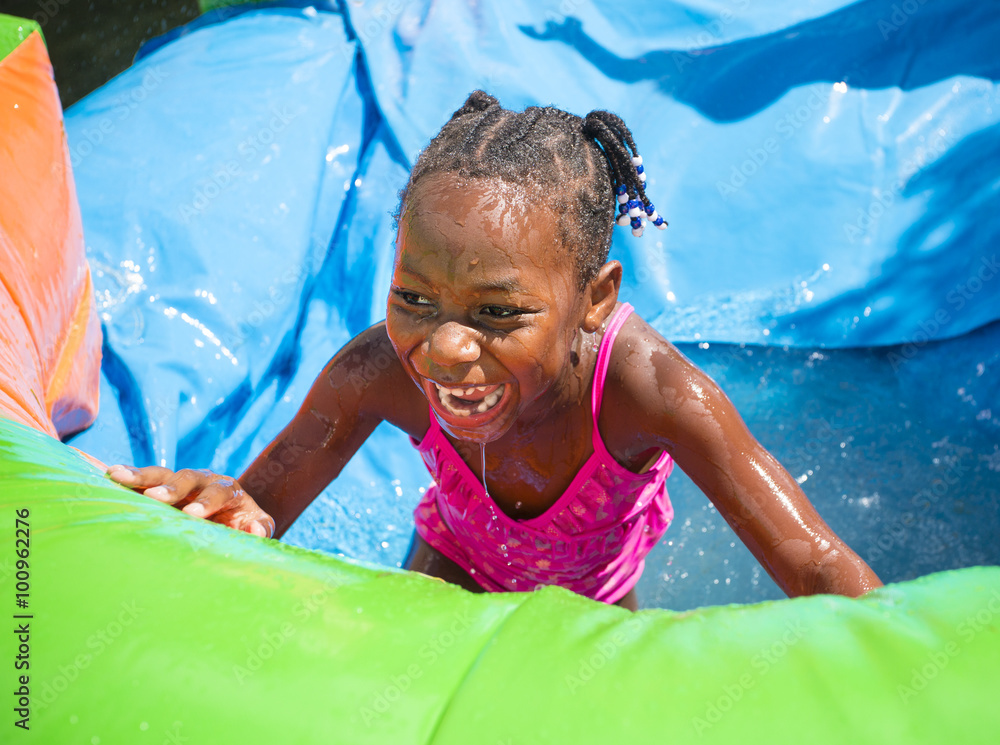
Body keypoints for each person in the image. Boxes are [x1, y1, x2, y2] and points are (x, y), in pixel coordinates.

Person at [106, 91, 882, 610]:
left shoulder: (654, 395)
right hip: (450, 566)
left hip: (595, 605)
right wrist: (224, 507)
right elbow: (260, 507)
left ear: (596, 297)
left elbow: (815, 566)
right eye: (414, 297)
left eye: (498, 312)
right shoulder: (378, 374)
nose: (443, 347)